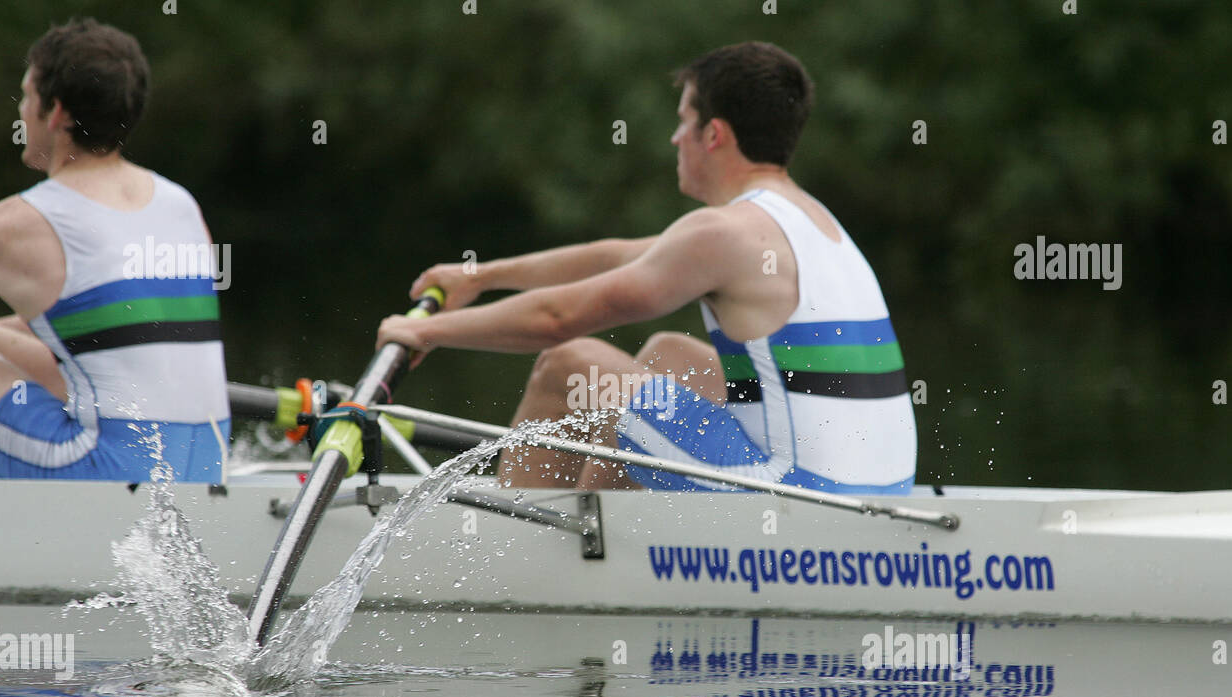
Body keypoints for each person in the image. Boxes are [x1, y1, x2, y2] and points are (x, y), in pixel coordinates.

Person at [379, 42, 915, 495]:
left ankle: (509, 563)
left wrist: (424, 331)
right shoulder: (806, 218)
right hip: (879, 491)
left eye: (684, 121)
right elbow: (618, 256)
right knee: (669, 356)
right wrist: (481, 276)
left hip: (801, 496)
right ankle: (594, 540)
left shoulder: (722, 232)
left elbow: (558, 318)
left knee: (571, 364)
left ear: (715, 135)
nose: (674, 139)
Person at [0, 19, 230, 482]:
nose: (22, 112)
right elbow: (138, 322)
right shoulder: (181, 204)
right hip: (208, 464)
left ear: (57, 114)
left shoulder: (19, 223)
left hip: (111, 476)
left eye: (27, 96)